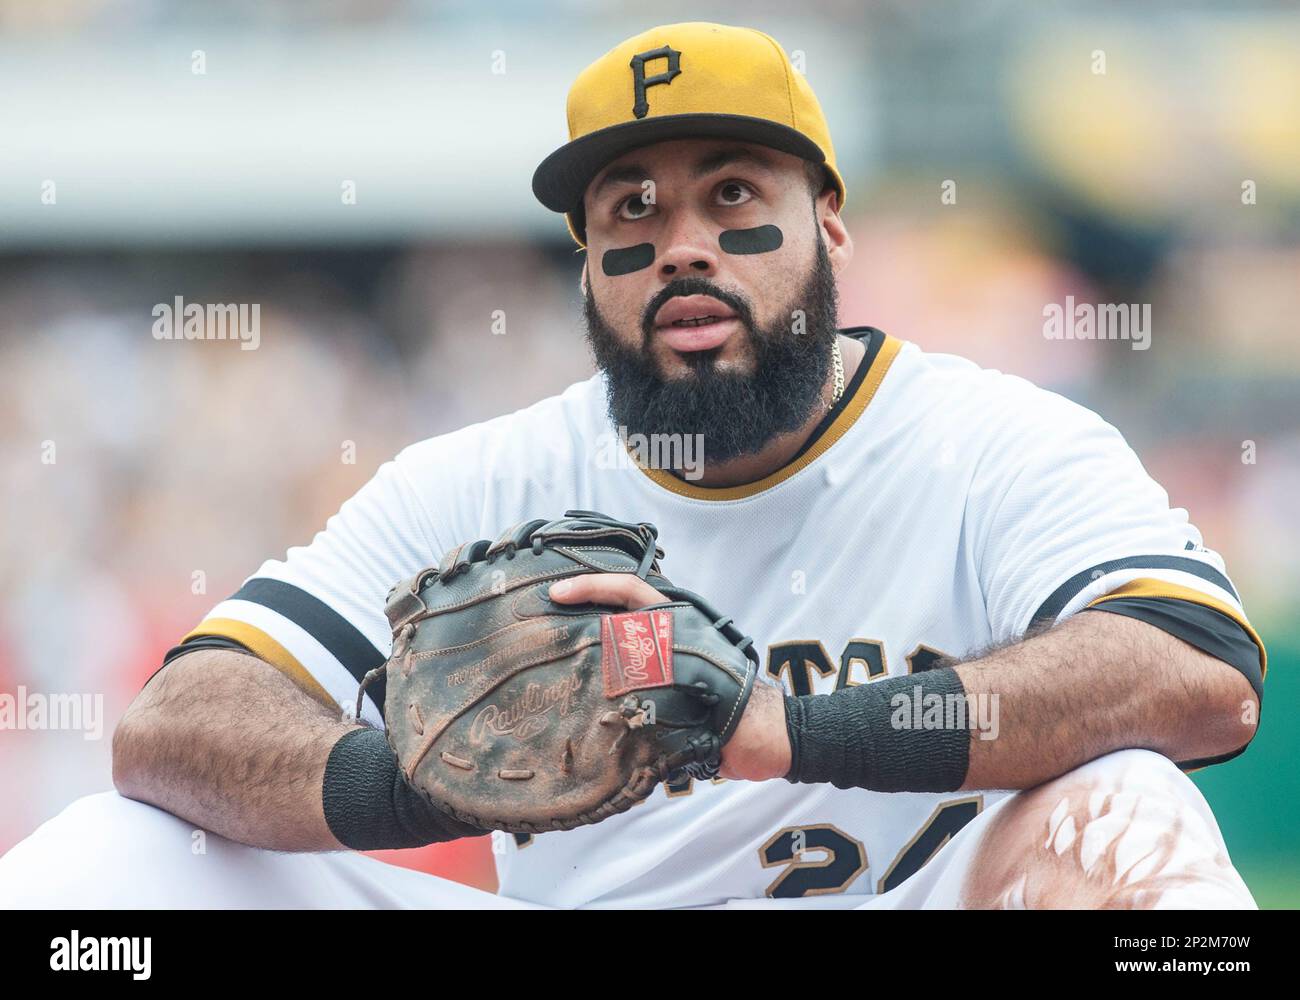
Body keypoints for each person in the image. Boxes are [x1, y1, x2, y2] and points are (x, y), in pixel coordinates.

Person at [0, 21, 1264, 909]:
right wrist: (418, 779)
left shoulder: (991, 440)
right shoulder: (485, 478)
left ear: (828, 222)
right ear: (589, 260)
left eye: (730, 194)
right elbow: (172, 725)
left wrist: (788, 727)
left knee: (1132, 808)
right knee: (105, 865)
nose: (683, 247)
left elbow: (1195, 667)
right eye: (632, 214)